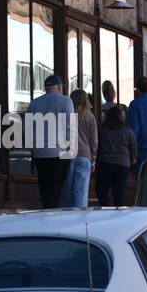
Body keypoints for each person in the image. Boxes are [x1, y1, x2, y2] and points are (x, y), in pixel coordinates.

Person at [26, 74, 75, 209]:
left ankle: (47, 212)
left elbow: (27, 128)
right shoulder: (66, 101)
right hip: (59, 152)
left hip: (40, 153)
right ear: (59, 87)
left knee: (45, 189)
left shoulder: (34, 103)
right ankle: (52, 215)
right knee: (56, 190)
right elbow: (70, 128)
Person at [96, 104, 137, 205]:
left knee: (101, 190)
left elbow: (97, 144)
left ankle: (107, 207)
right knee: (119, 193)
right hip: (123, 165)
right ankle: (119, 211)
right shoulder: (127, 131)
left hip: (105, 163)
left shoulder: (102, 129)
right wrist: (133, 159)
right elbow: (133, 147)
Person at [63, 89, 98, 207]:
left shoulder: (66, 116)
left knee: (67, 191)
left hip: (67, 155)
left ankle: (67, 214)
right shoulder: (90, 117)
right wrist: (93, 159)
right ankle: (79, 215)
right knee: (80, 192)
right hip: (84, 156)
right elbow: (94, 141)